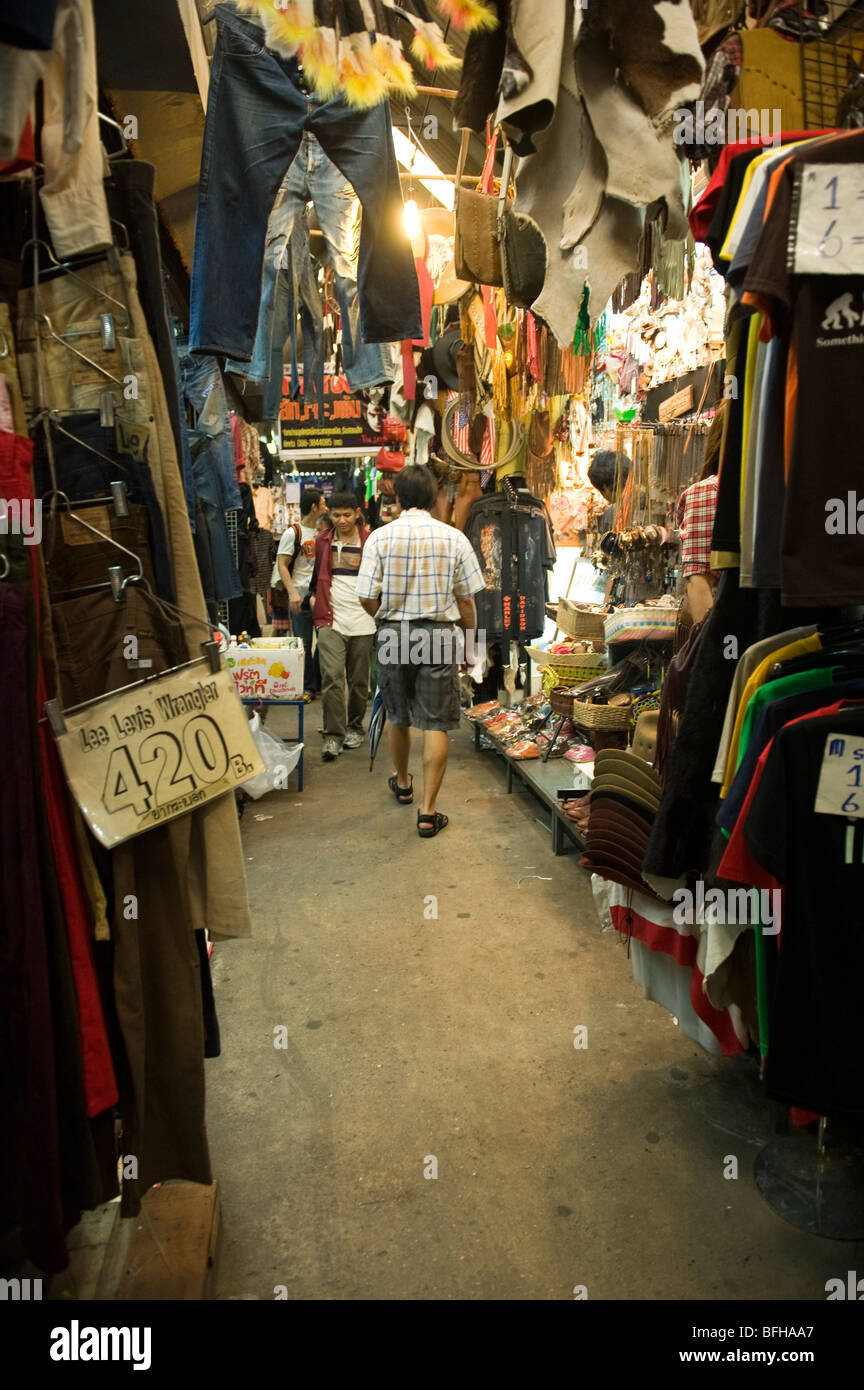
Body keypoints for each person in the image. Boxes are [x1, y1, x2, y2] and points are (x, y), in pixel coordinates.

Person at [355, 464, 485, 838]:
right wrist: (471, 645)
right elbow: (466, 602)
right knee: (436, 722)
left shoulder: (379, 538)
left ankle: (403, 781)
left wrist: (383, 617)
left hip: (394, 633)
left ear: (397, 496)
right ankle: (428, 812)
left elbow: (366, 595)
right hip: (439, 636)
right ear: (432, 498)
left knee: (398, 715)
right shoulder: (453, 538)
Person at [309, 491, 376, 761]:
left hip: (364, 620)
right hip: (330, 619)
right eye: (336, 515)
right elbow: (317, 577)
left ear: (357, 513)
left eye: (347, 514)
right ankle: (333, 735)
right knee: (332, 678)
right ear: (330, 515)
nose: (342, 519)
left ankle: (355, 727)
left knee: (359, 682)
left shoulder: (371, 541)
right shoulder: (322, 541)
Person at [274, 487, 326, 697]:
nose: (326, 507)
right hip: (300, 597)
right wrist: (293, 593)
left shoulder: (323, 532)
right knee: (303, 643)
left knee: (325, 642)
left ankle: (316, 682)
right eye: (323, 503)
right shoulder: (292, 533)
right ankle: (309, 686)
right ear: (314, 507)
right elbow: (282, 564)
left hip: (321, 596)